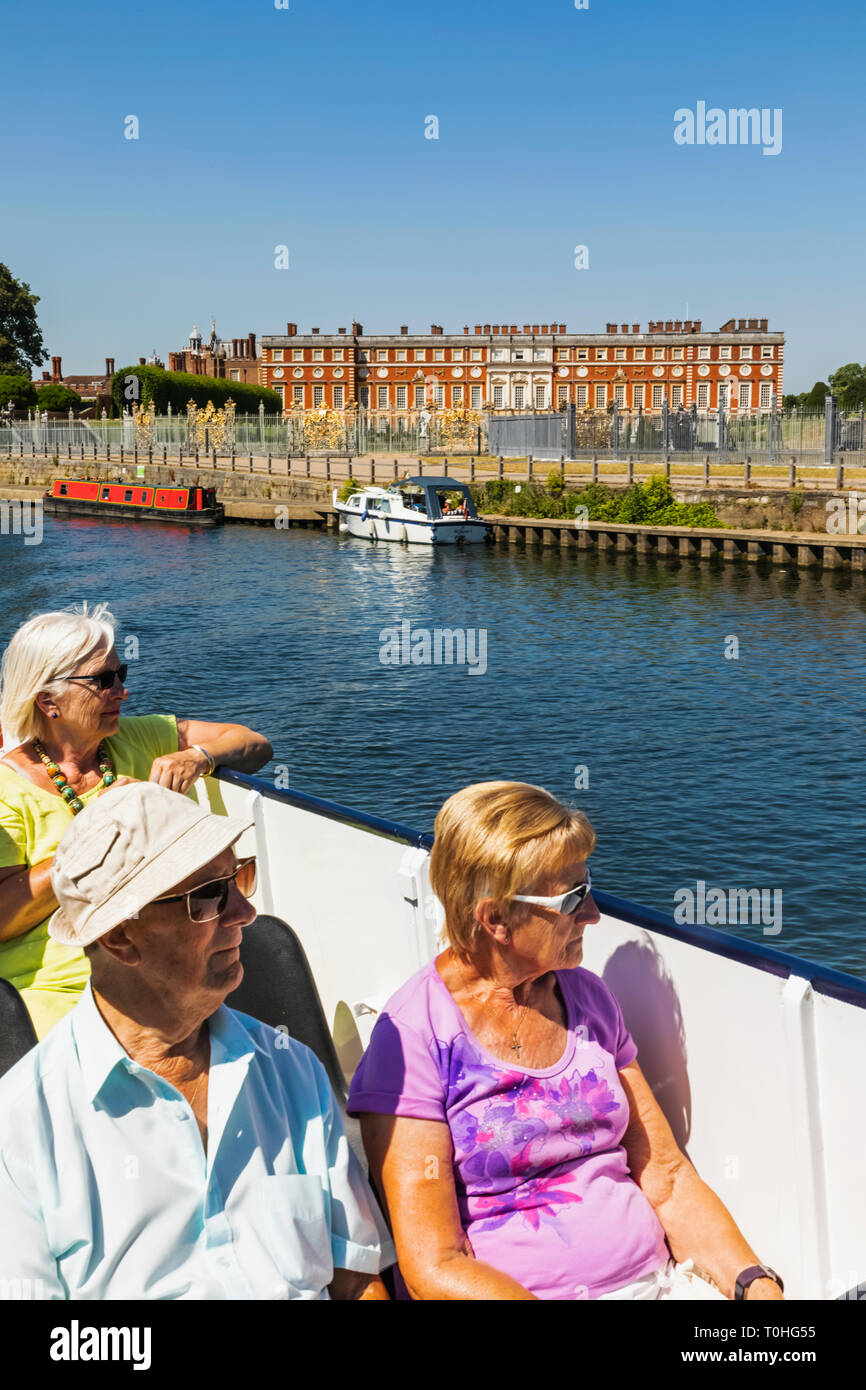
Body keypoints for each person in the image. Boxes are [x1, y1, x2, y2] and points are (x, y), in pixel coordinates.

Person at [348, 781, 786, 1302]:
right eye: (573, 899)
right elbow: (433, 1266)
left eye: (588, 886)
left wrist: (753, 1282)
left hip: (657, 1284)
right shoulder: (414, 1036)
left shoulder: (588, 998)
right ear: (497, 920)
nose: (594, 913)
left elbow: (667, 1177)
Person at [0, 782, 394, 1299]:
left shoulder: (292, 1070)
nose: (244, 914)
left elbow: (355, 1280)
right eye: (208, 897)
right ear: (119, 936)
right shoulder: (22, 1127)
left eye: (239, 879)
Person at [0, 603, 273, 1038]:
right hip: (59, 987)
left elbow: (255, 745)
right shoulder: (7, 789)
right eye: (103, 681)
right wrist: (100, 835)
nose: (122, 692)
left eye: (120, 675)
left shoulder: (140, 737)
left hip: (165, 967)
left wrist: (198, 757)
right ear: (48, 700)